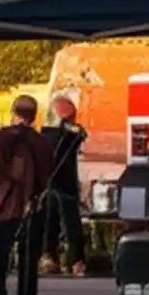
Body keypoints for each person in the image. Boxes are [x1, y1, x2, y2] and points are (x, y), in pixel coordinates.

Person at [0, 95, 54, 295]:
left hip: (1, 203)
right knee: (29, 262)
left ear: (13, 113)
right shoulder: (42, 143)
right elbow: (49, 175)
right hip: (31, 205)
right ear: (34, 116)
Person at [40, 95, 86, 276]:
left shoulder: (59, 137)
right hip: (60, 184)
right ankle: (71, 260)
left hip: (55, 185)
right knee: (66, 221)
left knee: (55, 220)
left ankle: (54, 257)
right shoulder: (62, 137)